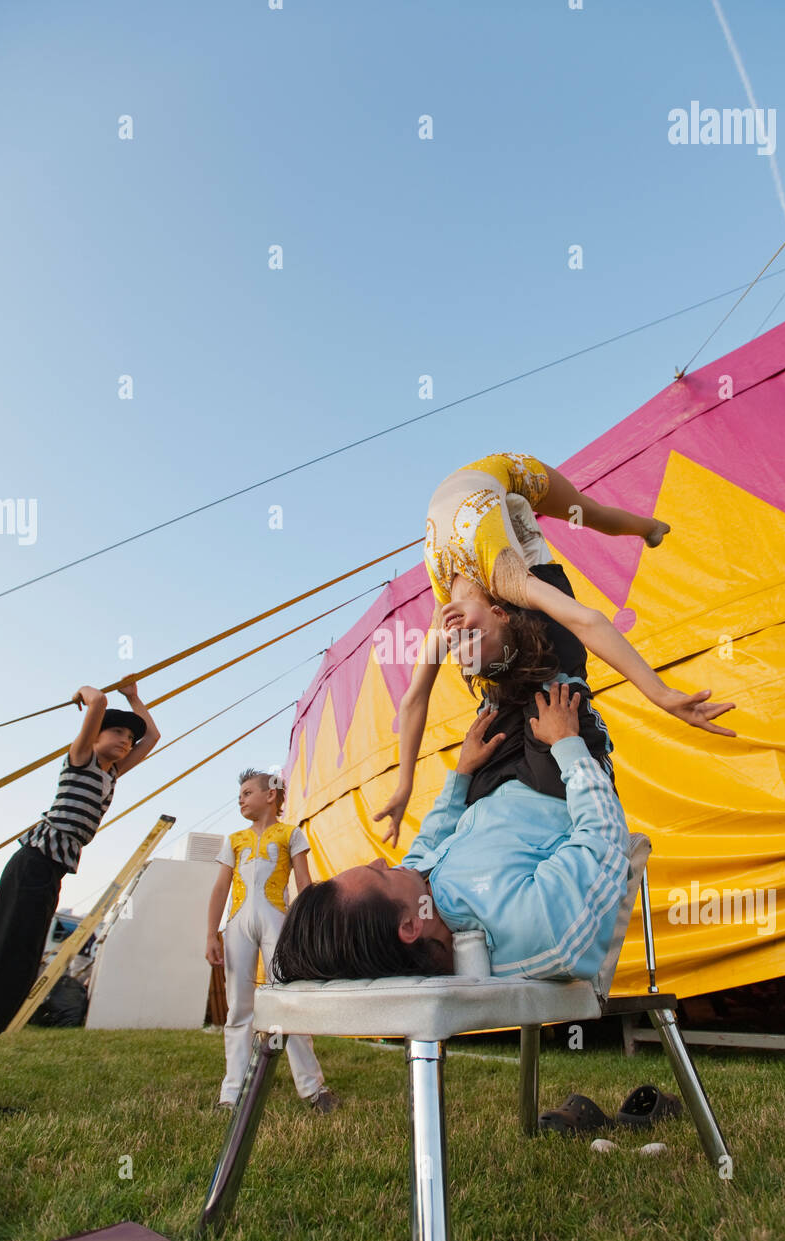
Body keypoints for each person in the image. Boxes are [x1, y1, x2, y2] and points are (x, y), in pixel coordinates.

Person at [375, 467, 735, 844]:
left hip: (497, 491)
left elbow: (414, 698)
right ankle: (649, 528)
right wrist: (662, 694)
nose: (457, 632)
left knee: (557, 516)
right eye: (472, 636)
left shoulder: (442, 622)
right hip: (501, 493)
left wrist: (405, 785)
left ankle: (633, 527)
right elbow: (587, 621)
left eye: (459, 643)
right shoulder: (508, 580)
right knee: (570, 525)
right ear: (501, 611)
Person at [275, 683, 630, 983]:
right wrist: (567, 743)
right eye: (377, 873)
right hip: (554, 782)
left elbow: (429, 841)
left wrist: (462, 771)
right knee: (543, 657)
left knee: (490, 658)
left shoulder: (418, 893)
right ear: (410, 927)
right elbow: (603, 838)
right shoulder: (535, 929)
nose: (383, 860)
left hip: (487, 781)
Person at [0, 680, 159, 1035]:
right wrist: (83, 694)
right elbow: (97, 699)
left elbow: (153, 738)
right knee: (9, 940)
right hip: (33, 862)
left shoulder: (111, 774)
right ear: (94, 736)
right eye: (116, 732)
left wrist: (134, 698)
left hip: (52, 870)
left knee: (26, 948)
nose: (125, 741)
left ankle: (1, 1015)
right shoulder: (81, 759)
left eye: (128, 739)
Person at [205, 769, 340, 1114]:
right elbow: (221, 888)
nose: (241, 799)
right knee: (239, 1007)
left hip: (278, 922)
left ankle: (313, 1088)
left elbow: (304, 883)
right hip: (237, 926)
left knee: (288, 999)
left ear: (270, 795)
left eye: (247, 792)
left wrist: (302, 928)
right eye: (240, 794)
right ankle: (231, 1093)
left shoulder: (290, 834)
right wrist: (211, 933)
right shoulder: (233, 840)